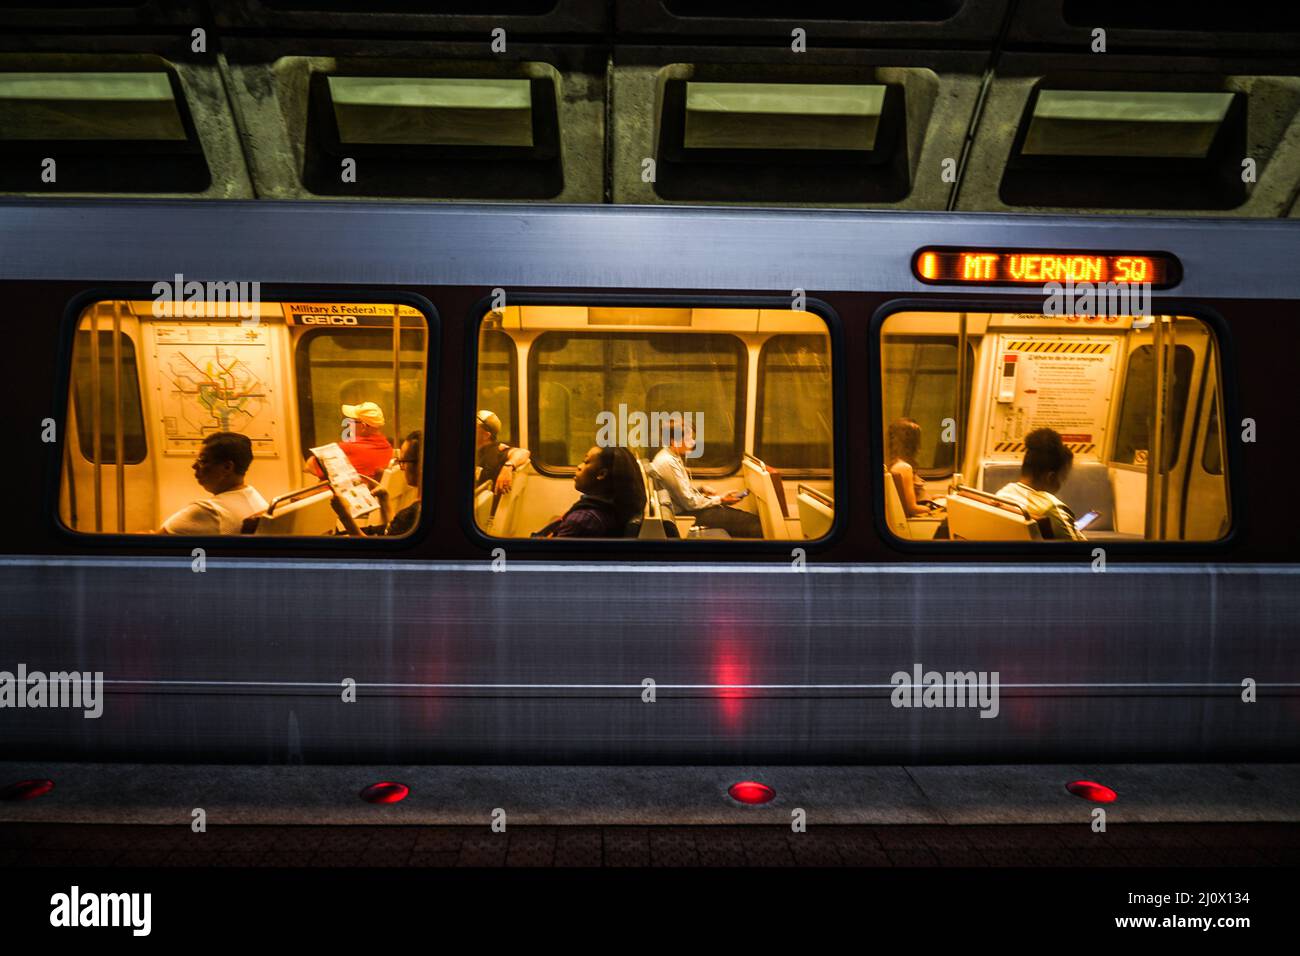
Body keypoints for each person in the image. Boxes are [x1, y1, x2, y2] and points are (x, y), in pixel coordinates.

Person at [650, 420, 762, 538]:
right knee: (752, 524)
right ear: (674, 442)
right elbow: (689, 503)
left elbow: (680, 492)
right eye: (688, 439)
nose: (693, 443)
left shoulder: (672, 457)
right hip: (688, 515)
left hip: (690, 509)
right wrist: (720, 500)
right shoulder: (668, 463)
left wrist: (701, 489)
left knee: (744, 517)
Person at [160, 432, 268, 535]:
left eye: (202, 461)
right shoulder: (253, 495)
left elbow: (154, 540)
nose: (194, 466)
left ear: (227, 468)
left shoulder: (209, 510)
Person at [533, 445, 645, 538]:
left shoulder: (582, 521)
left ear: (601, 474)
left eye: (586, 462)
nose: (579, 466)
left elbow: (547, 557)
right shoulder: (612, 508)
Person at [995, 427, 1085, 541]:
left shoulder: (1003, 494)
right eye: (1062, 478)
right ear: (1050, 477)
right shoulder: (1051, 509)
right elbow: (1078, 555)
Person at [306, 402, 394, 482]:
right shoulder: (388, 448)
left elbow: (310, 466)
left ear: (363, 426)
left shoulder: (347, 449)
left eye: (352, 421)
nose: (348, 424)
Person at [886, 417, 940, 518]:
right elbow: (912, 508)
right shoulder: (904, 468)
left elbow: (915, 499)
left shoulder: (895, 463)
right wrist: (936, 508)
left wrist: (932, 499)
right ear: (911, 443)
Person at [475, 409, 530, 495]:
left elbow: (524, 452)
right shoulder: (477, 452)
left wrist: (508, 466)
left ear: (486, 435)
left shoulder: (495, 451)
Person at [386, 430, 422, 536]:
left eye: (403, 461)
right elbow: (393, 529)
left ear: (420, 464)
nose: (402, 468)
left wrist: (345, 516)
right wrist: (384, 502)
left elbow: (380, 549)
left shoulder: (412, 516)